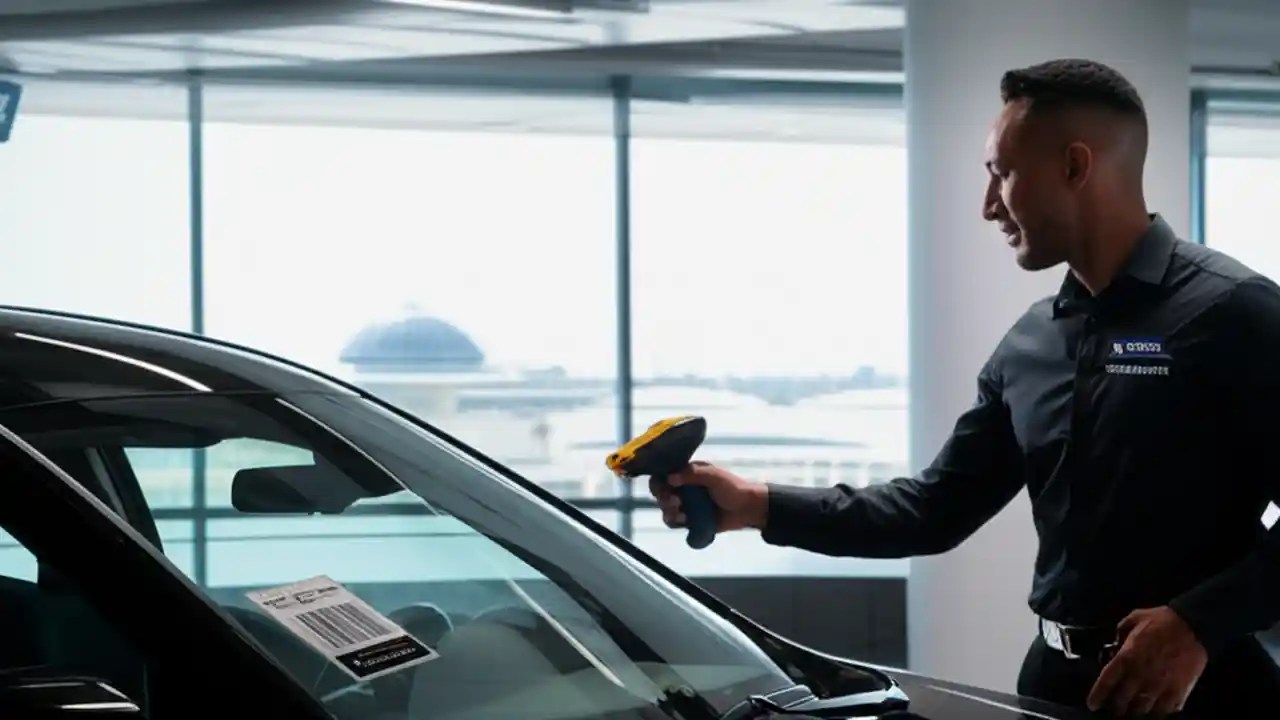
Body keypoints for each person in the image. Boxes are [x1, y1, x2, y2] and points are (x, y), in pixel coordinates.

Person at [651, 58, 1280, 718]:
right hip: (1053, 686)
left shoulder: (1235, 313)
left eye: (1001, 174)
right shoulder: (1032, 343)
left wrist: (1198, 623)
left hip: (1207, 693)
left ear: (1074, 166)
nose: (988, 206)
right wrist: (756, 504)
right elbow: (934, 509)